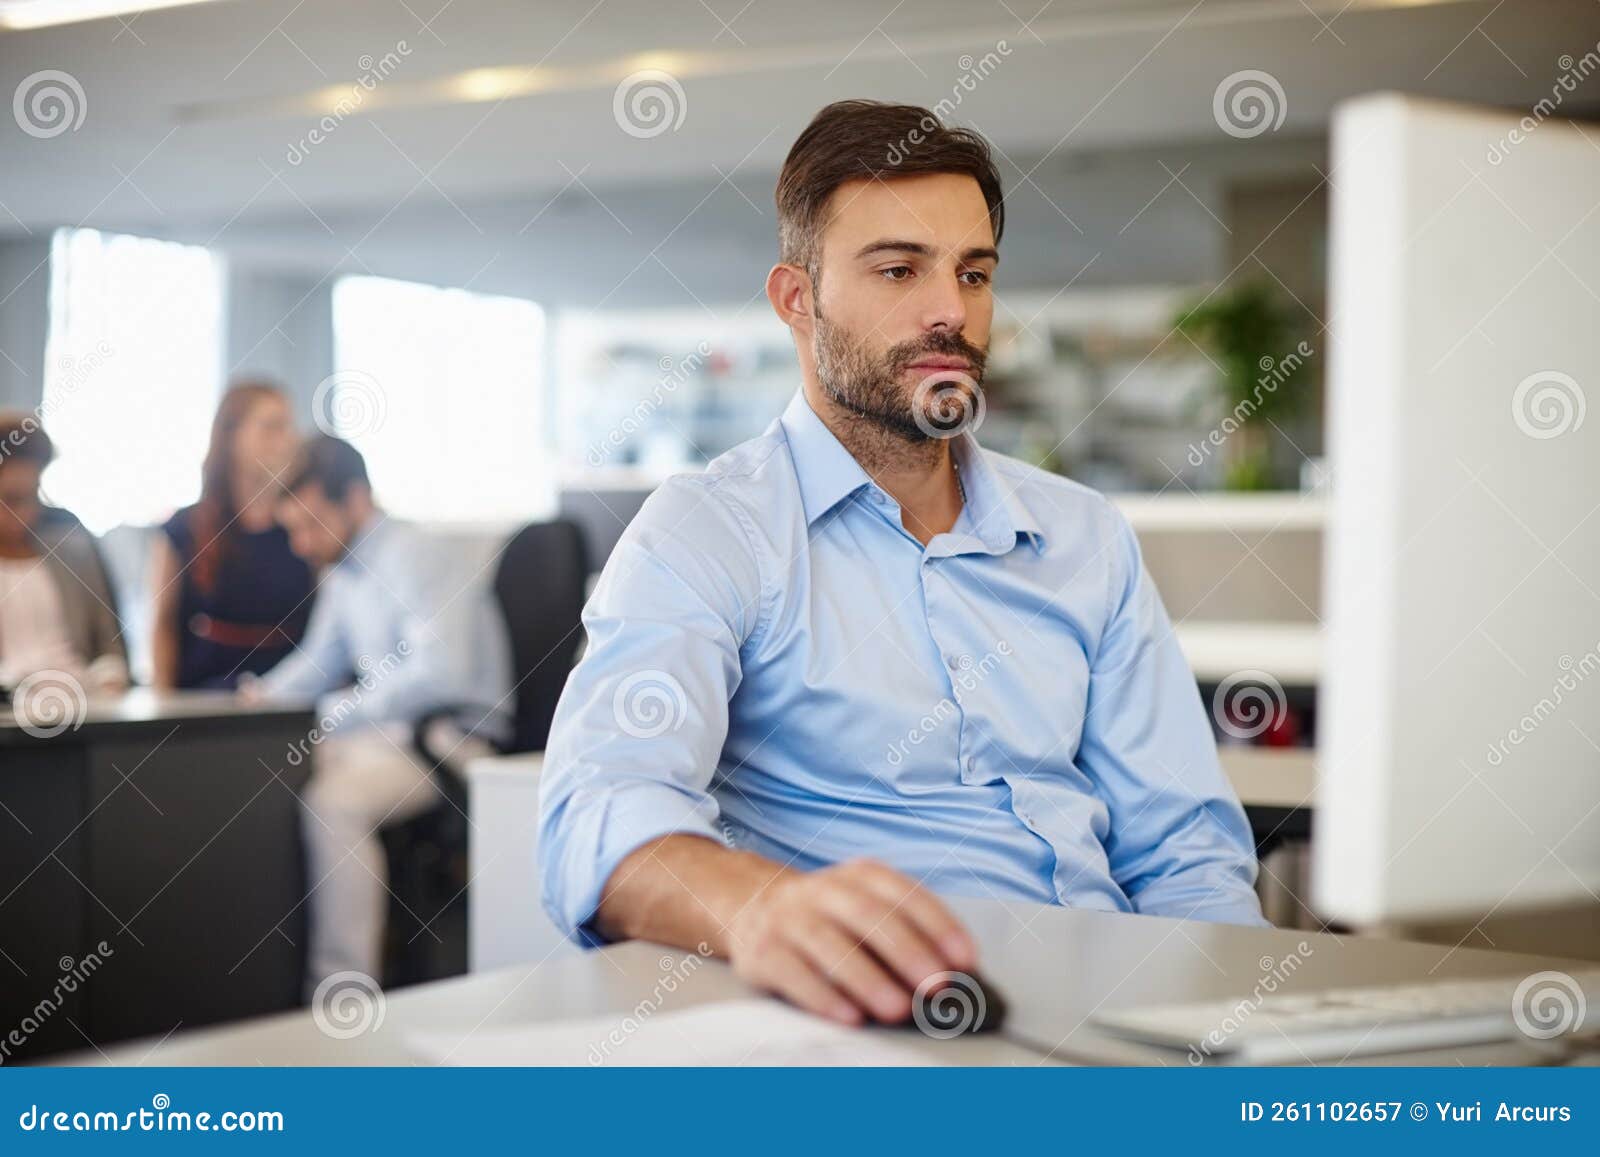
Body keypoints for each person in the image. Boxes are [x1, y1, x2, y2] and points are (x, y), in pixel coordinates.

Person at [539, 100, 1266, 1028]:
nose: (949, 312)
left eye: (974, 273)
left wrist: (1239, 1039)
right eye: (898, 269)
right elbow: (597, 809)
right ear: (797, 299)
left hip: (1123, 1026)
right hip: (882, 1025)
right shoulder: (709, 531)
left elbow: (1185, 854)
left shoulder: (1085, 538)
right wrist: (760, 906)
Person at [249, 435, 510, 989]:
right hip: (388, 733)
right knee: (276, 778)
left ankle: (341, 989)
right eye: (292, 528)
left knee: (331, 804)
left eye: (310, 523)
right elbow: (318, 662)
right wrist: (256, 703)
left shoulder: (414, 553)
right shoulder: (343, 569)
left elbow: (441, 673)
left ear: (356, 498)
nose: (300, 542)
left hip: (449, 737)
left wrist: (334, 713)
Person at [150, 381, 315, 690]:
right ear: (231, 437)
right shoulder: (185, 529)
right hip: (203, 701)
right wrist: (163, 708)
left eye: (288, 428)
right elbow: (163, 625)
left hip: (288, 697)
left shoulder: (304, 529)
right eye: (271, 428)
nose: (286, 441)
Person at [0, 412, 127, 695]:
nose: (26, 513)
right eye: (11, 499)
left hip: (80, 704)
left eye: (33, 496)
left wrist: (110, 681)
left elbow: (110, 646)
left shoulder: (71, 547)